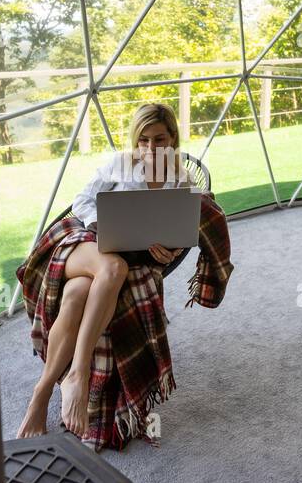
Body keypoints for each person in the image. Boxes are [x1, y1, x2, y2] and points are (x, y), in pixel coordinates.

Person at [17, 102, 192, 439]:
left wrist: (169, 252)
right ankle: (77, 373)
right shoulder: (120, 164)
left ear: (173, 138)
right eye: (143, 140)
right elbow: (81, 203)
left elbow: (179, 230)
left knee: (77, 292)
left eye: (158, 139)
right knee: (113, 266)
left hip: (122, 256)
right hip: (82, 241)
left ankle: (39, 397)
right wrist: (103, 226)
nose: (151, 148)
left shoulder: (179, 179)